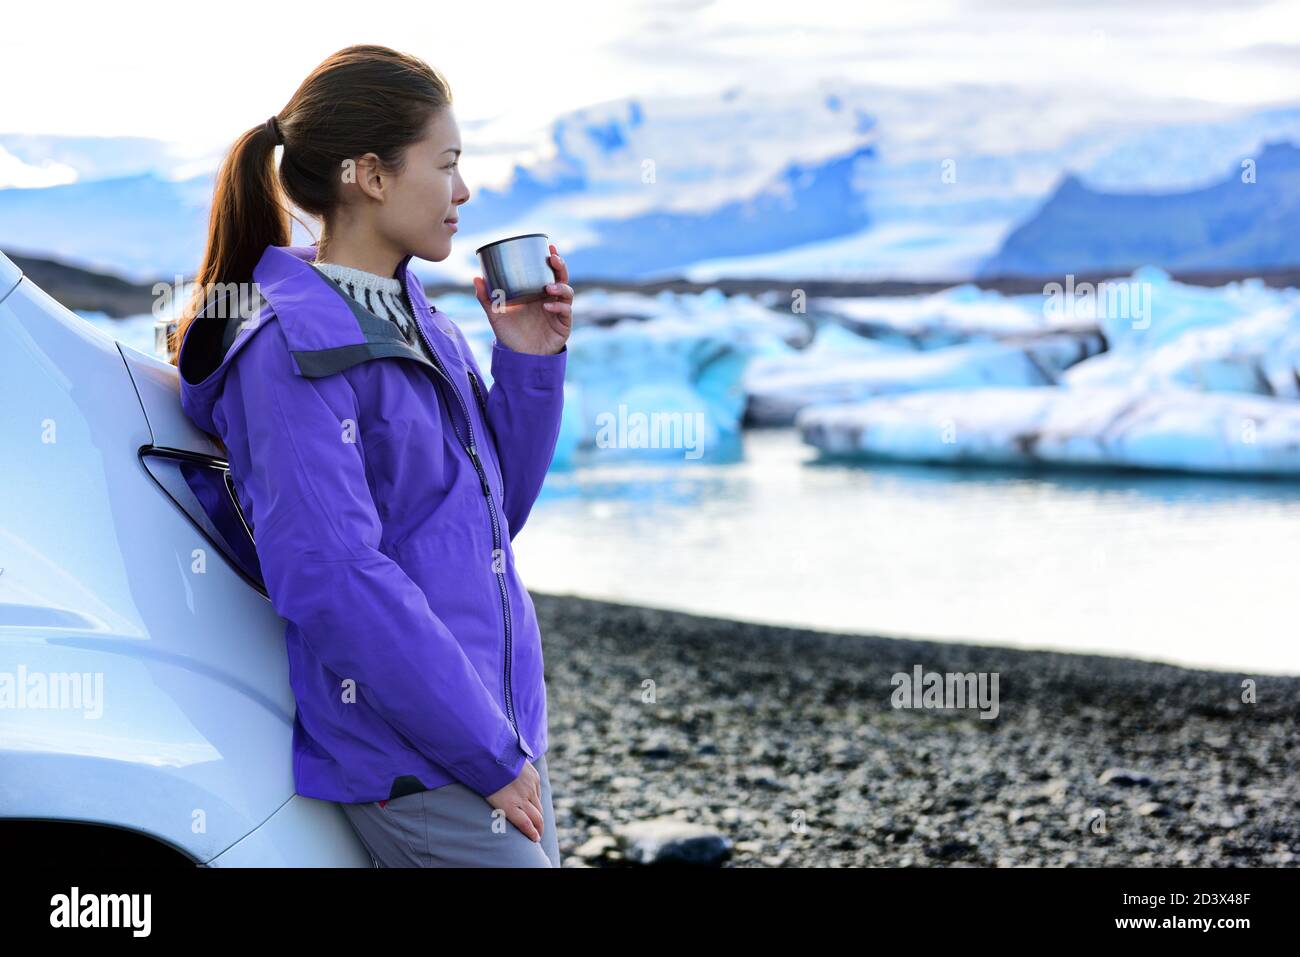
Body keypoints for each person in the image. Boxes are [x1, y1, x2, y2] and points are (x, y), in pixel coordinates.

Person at [170, 44, 572, 867]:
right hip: (420, 758)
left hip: (491, 738)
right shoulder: (290, 346)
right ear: (372, 176)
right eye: (447, 163)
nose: (463, 192)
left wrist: (529, 362)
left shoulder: (425, 321)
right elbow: (332, 573)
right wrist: (483, 753)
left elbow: (493, 520)